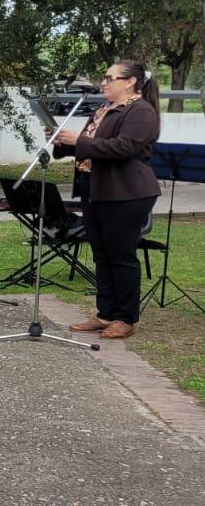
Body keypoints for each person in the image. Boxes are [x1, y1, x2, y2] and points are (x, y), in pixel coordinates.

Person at [50, 60, 163, 340]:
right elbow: (90, 147)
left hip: (126, 192)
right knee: (101, 254)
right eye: (105, 77)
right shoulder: (103, 109)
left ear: (130, 82)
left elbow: (123, 147)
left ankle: (125, 318)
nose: (104, 82)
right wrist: (62, 143)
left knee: (121, 255)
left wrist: (79, 141)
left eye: (110, 78)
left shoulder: (141, 112)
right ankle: (105, 314)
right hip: (95, 189)